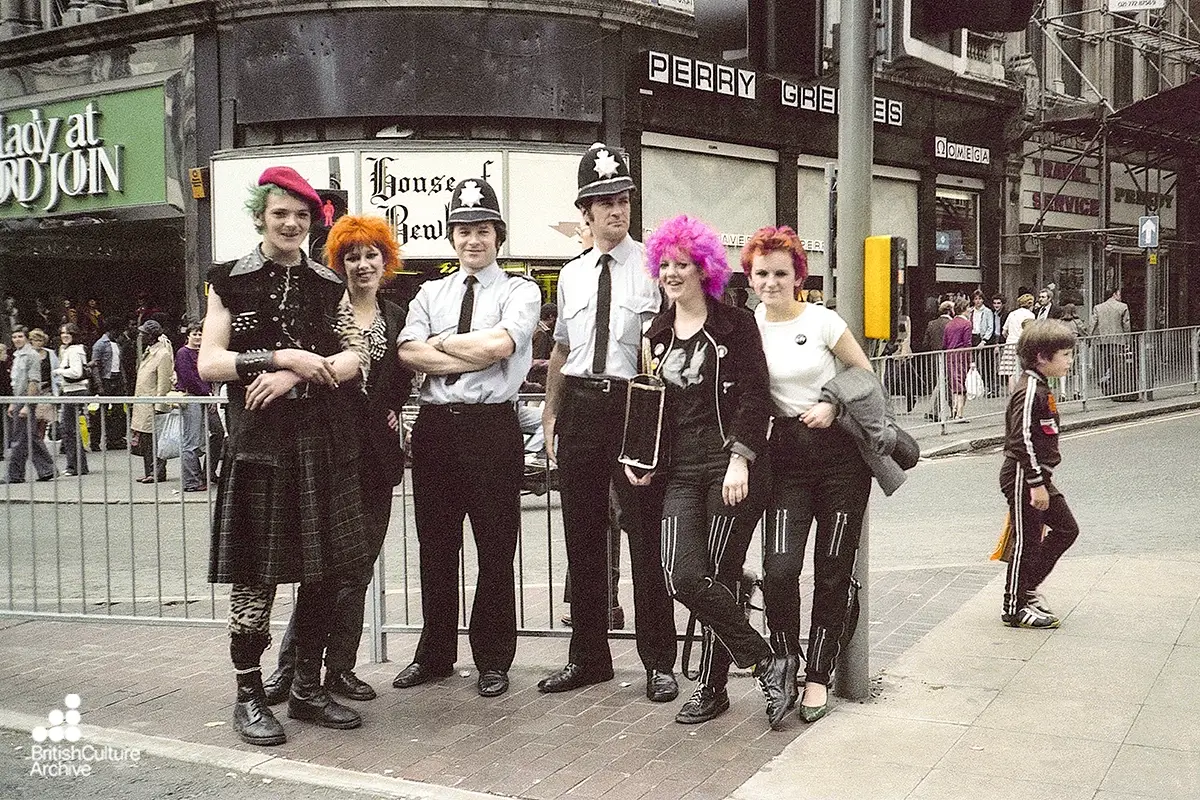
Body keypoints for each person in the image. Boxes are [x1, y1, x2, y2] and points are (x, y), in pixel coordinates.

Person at [199, 165, 370, 747]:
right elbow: (208, 363)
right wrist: (278, 358)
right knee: (255, 577)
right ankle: (249, 696)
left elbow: (356, 356)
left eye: (301, 215)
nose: (292, 223)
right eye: (281, 214)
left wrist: (304, 373)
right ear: (260, 218)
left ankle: (305, 687)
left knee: (322, 574)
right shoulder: (227, 281)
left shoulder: (328, 283)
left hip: (322, 443)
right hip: (260, 450)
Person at [639, 215, 793, 728]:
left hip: (730, 467)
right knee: (682, 575)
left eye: (682, 264)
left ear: (703, 268)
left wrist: (741, 458)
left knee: (719, 576)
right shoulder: (656, 333)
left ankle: (712, 687)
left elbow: (755, 397)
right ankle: (767, 657)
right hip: (679, 472)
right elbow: (650, 406)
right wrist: (639, 459)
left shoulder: (735, 324)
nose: (672, 272)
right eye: (665, 264)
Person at [539, 142, 678, 702]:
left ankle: (658, 662)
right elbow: (560, 349)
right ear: (586, 213)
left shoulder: (655, 269)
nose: (615, 210)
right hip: (580, 406)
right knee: (583, 537)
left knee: (643, 536)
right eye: (602, 202)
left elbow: (673, 344)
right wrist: (550, 410)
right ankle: (589, 657)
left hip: (633, 408)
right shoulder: (570, 275)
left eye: (621, 199)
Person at [392, 177, 540, 699]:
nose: (472, 240)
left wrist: (440, 343)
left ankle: (493, 659)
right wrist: (458, 349)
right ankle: (434, 653)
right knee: (436, 546)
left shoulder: (520, 289)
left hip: (490, 427)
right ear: (450, 237)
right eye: (462, 230)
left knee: (495, 547)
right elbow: (408, 353)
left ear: (498, 235)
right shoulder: (430, 291)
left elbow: (502, 346)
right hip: (435, 429)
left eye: (482, 230)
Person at [262, 214, 415, 705]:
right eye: (352, 256)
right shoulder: (326, 309)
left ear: (385, 260)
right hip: (329, 451)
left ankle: (340, 668)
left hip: (377, 458)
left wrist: (395, 411)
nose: (363, 264)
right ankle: (291, 668)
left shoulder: (397, 316)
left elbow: (402, 378)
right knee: (318, 567)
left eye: (372, 255)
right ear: (339, 262)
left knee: (360, 566)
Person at [746, 225, 875, 724]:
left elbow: (863, 372)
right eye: (762, 273)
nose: (772, 282)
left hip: (841, 458)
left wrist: (830, 401)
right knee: (779, 570)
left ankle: (818, 676)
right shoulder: (749, 328)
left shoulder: (822, 321)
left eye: (782, 273)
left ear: (798, 275)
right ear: (750, 277)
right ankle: (784, 663)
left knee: (831, 571)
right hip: (785, 462)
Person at [1000, 320, 1080, 629]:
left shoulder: (1039, 385)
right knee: (1027, 540)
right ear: (1042, 357)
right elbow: (1021, 439)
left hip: (1035, 476)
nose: (1069, 361)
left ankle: (1027, 588)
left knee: (1066, 529)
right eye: (1065, 354)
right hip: (1024, 475)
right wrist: (1036, 483)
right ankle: (1014, 606)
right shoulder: (1030, 388)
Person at [4, 327, 56, 483]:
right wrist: (13, 402)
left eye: (20, 336)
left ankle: (15, 474)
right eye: (14, 336)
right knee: (30, 436)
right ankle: (47, 469)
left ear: (26, 338)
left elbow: (33, 381)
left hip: (27, 399)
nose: (17, 339)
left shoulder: (31, 355)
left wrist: (27, 404)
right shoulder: (17, 355)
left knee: (19, 438)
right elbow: (17, 382)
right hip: (19, 398)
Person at [130, 319, 174, 484]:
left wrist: (160, 405)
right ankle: (149, 470)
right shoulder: (149, 351)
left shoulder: (162, 354)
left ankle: (157, 472)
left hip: (152, 404)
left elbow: (163, 382)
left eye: (144, 333)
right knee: (146, 441)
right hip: (143, 403)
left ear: (151, 336)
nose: (141, 335)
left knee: (155, 441)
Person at [174, 321, 212, 492]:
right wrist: (206, 393)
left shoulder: (205, 352)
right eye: (195, 334)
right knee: (191, 441)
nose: (198, 337)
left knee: (217, 433)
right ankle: (191, 481)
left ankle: (206, 473)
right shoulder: (183, 353)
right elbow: (188, 377)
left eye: (200, 334)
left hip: (207, 397)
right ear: (188, 335)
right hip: (193, 397)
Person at [53, 323, 90, 477]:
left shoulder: (74, 350)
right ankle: (77, 465)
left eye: (68, 333)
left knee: (69, 429)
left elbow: (76, 372)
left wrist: (58, 371)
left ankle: (74, 466)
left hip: (74, 392)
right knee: (70, 429)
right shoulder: (68, 349)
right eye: (62, 333)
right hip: (72, 391)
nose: (64, 335)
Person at [87, 318, 127, 451]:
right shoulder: (100, 344)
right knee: (100, 412)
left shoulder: (116, 344)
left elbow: (119, 364)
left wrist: (123, 381)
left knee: (118, 411)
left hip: (116, 380)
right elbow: (95, 366)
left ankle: (114, 439)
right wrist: (99, 385)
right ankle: (95, 440)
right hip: (105, 380)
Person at [1090, 285, 1134, 401]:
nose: (1120, 296)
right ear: (1114, 294)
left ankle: (1105, 380)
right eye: (1119, 294)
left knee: (1106, 363)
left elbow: (1092, 324)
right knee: (1117, 364)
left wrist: (1088, 337)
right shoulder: (1123, 307)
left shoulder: (1098, 308)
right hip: (1118, 340)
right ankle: (1111, 384)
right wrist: (1127, 340)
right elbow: (1126, 325)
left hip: (1102, 341)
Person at [920, 301, 953, 421]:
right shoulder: (951, 324)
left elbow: (925, 344)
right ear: (950, 310)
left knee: (944, 383)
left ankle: (953, 408)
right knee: (944, 384)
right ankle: (933, 411)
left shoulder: (931, 324)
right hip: (949, 357)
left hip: (934, 357)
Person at [997, 293, 1036, 390]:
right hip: (1023, 343)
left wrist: (1009, 337)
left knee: (1011, 372)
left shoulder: (1012, 314)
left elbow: (1004, 331)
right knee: (1023, 369)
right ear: (1030, 304)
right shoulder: (1031, 315)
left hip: (1010, 343)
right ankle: (1022, 392)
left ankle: (1012, 393)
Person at [943, 298, 973, 422]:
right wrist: (971, 361)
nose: (970, 310)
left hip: (950, 356)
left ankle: (954, 410)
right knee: (961, 384)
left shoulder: (949, 324)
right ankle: (959, 414)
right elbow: (968, 343)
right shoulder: (967, 324)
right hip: (961, 356)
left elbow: (944, 343)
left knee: (954, 384)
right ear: (965, 309)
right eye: (968, 307)